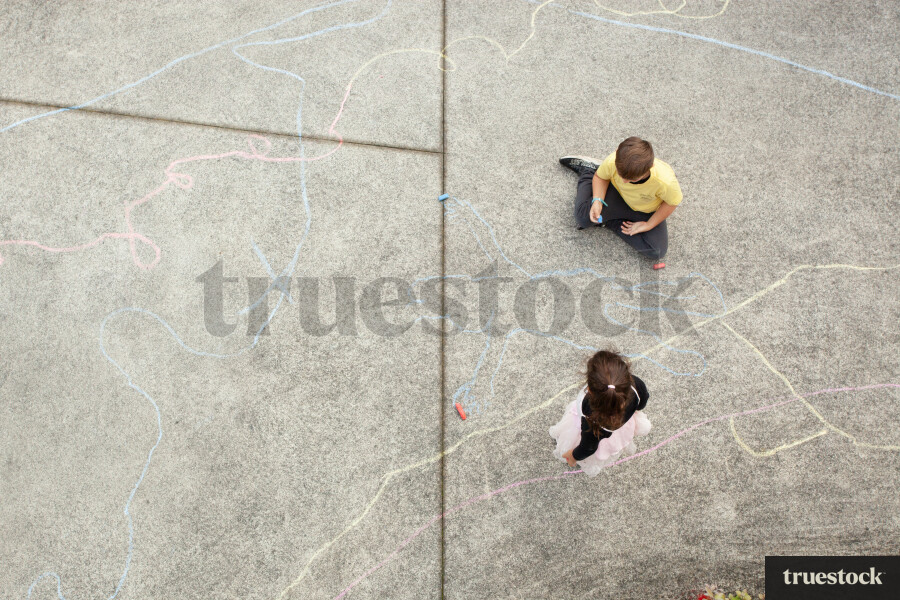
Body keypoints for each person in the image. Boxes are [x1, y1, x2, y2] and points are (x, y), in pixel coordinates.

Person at [559, 136, 682, 267]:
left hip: (646, 210)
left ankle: (610, 221)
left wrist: (649, 225)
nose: (624, 181)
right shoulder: (613, 160)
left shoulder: (665, 181)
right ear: (617, 151)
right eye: (621, 175)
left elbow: (672, 203)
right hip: (616, 195)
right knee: (583, 218)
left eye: (631, 180)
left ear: (650, 167)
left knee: (655, 251)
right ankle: (588, 170)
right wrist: (597, 201)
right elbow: (601, 178)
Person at [549, 349, 652, 477]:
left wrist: (574, 455)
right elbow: (643, 399)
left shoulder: (591, 417)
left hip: (595, 432)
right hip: (618, 425)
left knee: (577, 438)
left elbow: (588, 447)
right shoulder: (635, 384)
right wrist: (636, 409)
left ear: (590, 390)